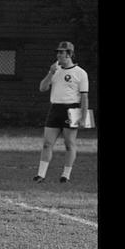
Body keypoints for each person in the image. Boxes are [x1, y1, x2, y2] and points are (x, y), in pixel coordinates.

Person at [34, 41, 90, 183]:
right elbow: (42, 87)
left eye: (62, 52)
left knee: (69, 143)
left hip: (72, 109)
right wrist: (51, 73)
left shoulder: (80, 73)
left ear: (70, 54)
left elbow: (84, 97)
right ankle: (41, 174)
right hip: (55, 109)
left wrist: (83, 118)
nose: (58, 55)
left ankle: (66, 174)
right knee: (47, 143)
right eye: (57, 52)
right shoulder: (55, 70)